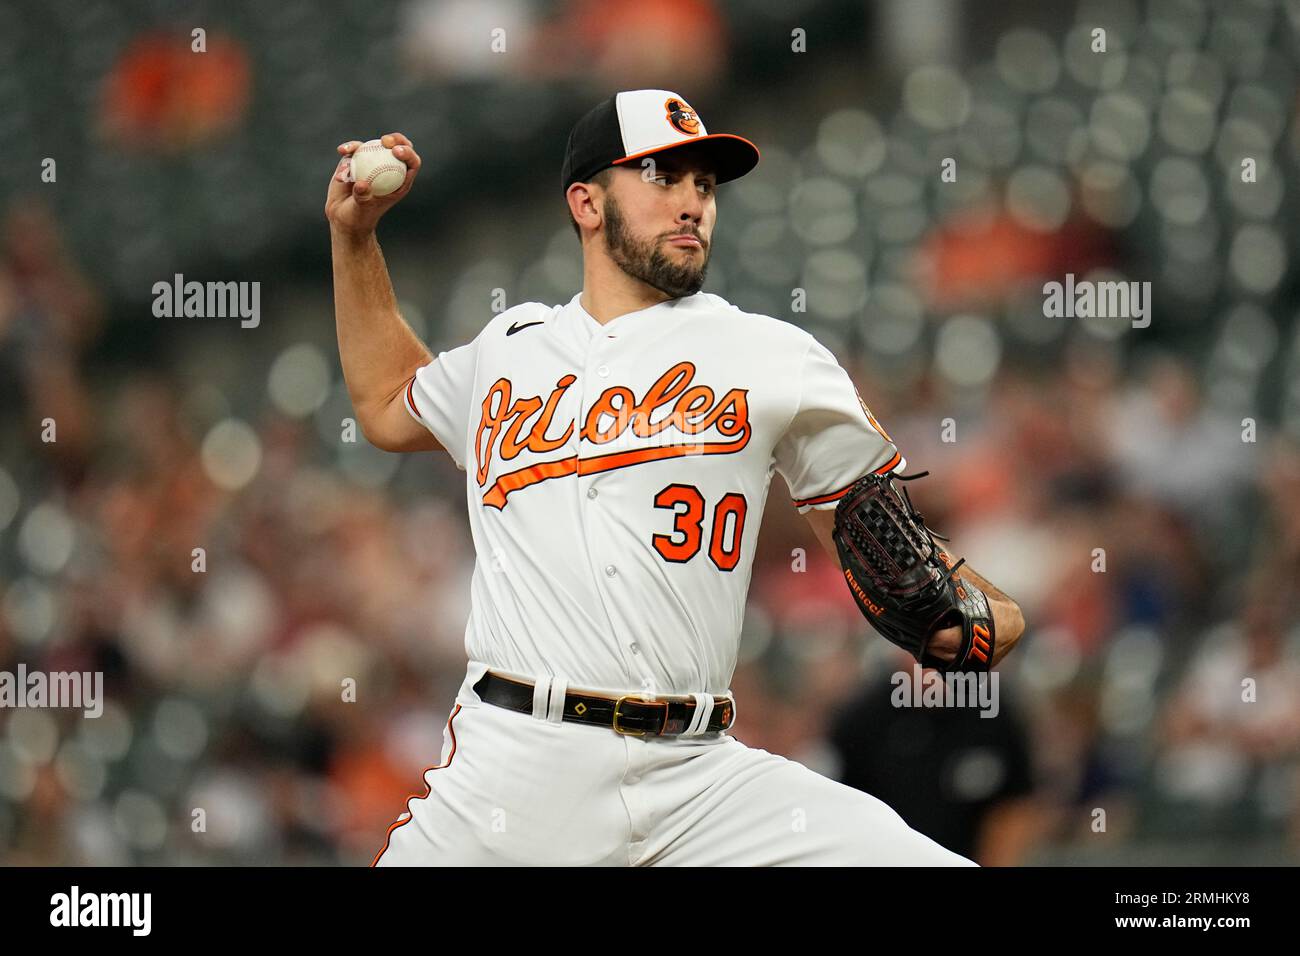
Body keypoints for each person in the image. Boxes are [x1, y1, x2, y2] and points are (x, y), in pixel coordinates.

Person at [325, 89, 1025, 866]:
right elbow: (387, 403)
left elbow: (888, 545)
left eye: (704, 184)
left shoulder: (770, 356)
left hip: (702, 781)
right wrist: (353, 238)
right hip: (517, 769)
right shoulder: (509, 349)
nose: (692, 201)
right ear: (586, 203)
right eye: (662, 175)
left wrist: (975, 605)